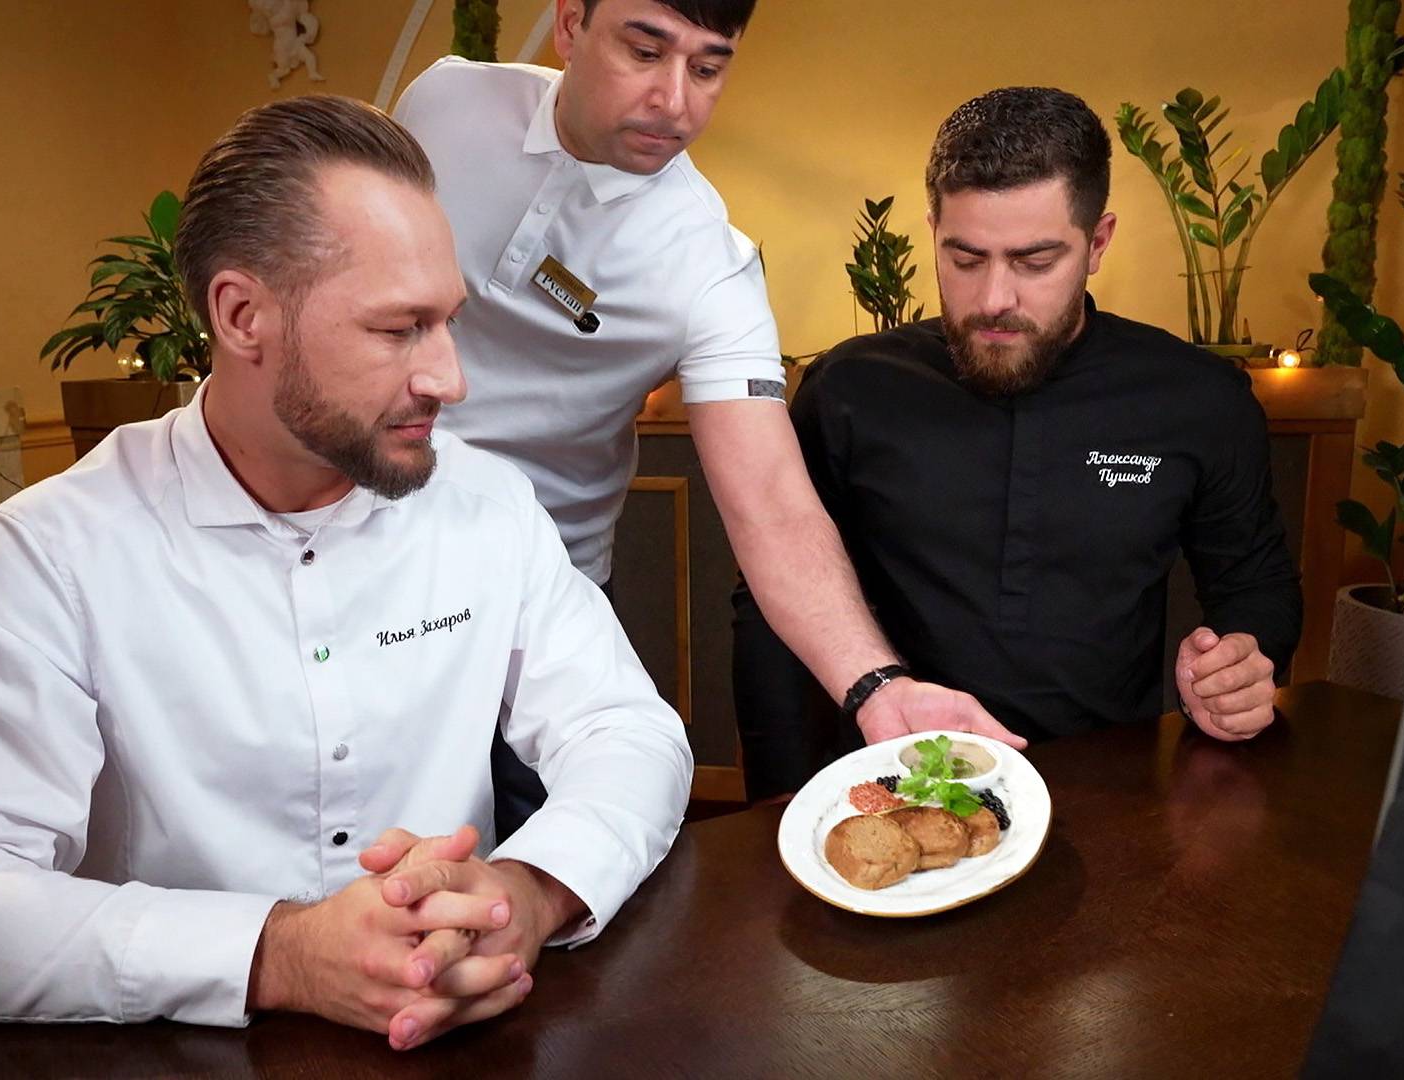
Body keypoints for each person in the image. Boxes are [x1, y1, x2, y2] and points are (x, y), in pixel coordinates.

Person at [0, 95, 692, 1053]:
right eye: (399, 329)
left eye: (447, 322)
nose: (451, 379)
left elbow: (628, 730)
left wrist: (525, 895)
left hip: (466, 1039)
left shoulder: (488, 506)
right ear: (243, 315)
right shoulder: (51, 553)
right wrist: (278, 952)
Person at [392, 0, 1024, 831]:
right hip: (355, 547)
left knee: (535, 851)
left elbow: (771, 498)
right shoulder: (444, 104)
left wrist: (877, 685)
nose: (675, 101)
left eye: (707, 67)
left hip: (540, 595)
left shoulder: (709, 267)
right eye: (644, 51)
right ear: (571, 25)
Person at [734, 87, 1303, 795]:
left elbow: (1256, 585)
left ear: (1097, 243)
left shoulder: (1198, 397)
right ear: (933, 231)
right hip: (898, 782)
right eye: (966, 258)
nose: (995, 299)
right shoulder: (851, 387)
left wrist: (1242, 663)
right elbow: (770, 605)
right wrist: (780, 800)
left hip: (1111, 786)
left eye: (1035, 261)